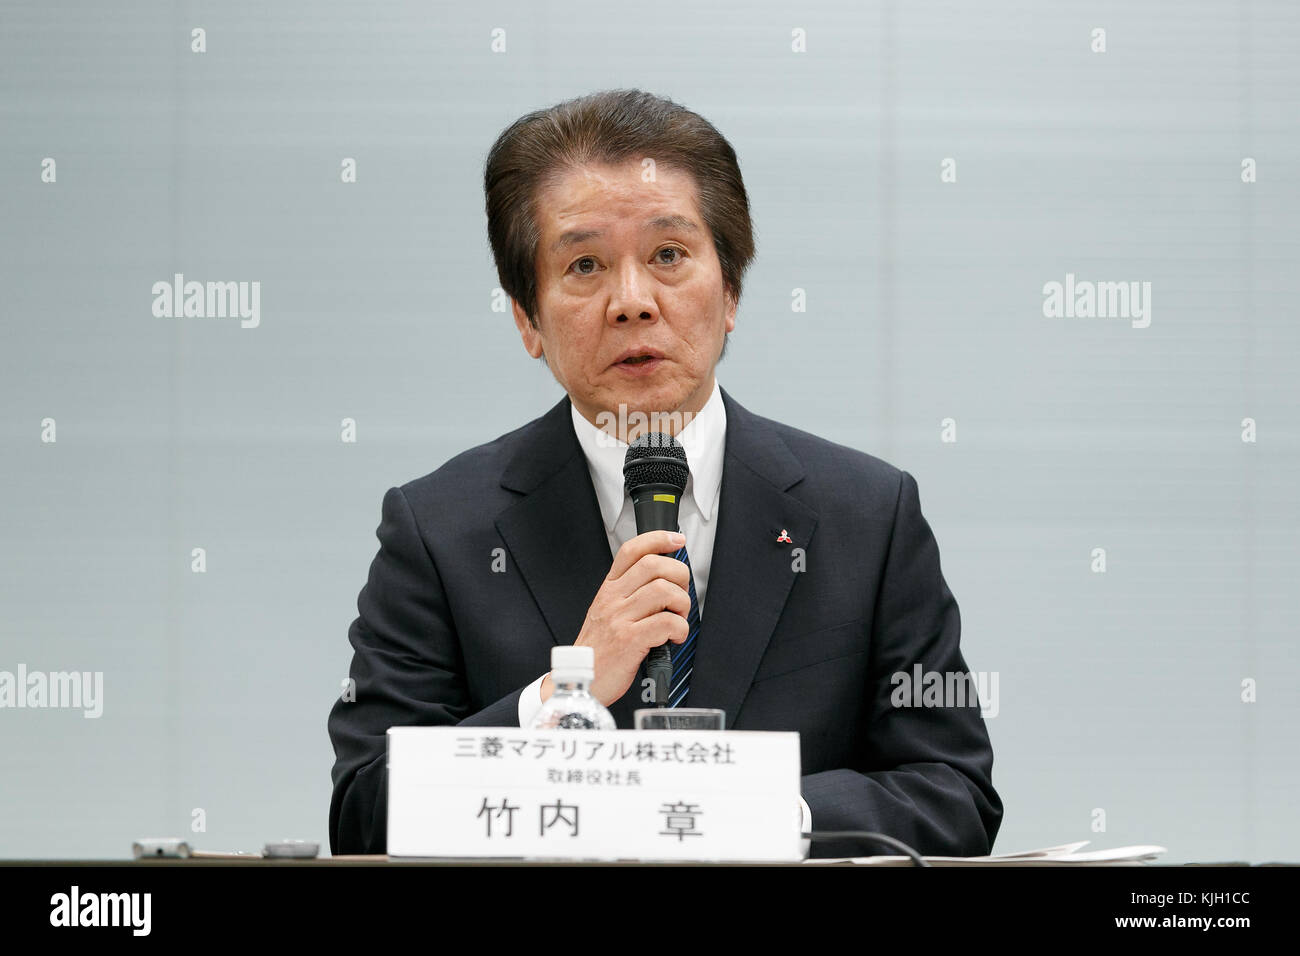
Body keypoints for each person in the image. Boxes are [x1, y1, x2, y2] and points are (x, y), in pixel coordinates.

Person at [327, 89, 1002, 859]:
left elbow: (953, 793)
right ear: (527, 320)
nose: (632, 302)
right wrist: (559, 697)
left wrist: (737, 808)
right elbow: (366, 811)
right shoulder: (439, 530)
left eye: (669, 256)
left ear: (732, 291)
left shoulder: (869, 516)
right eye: (583, 264)